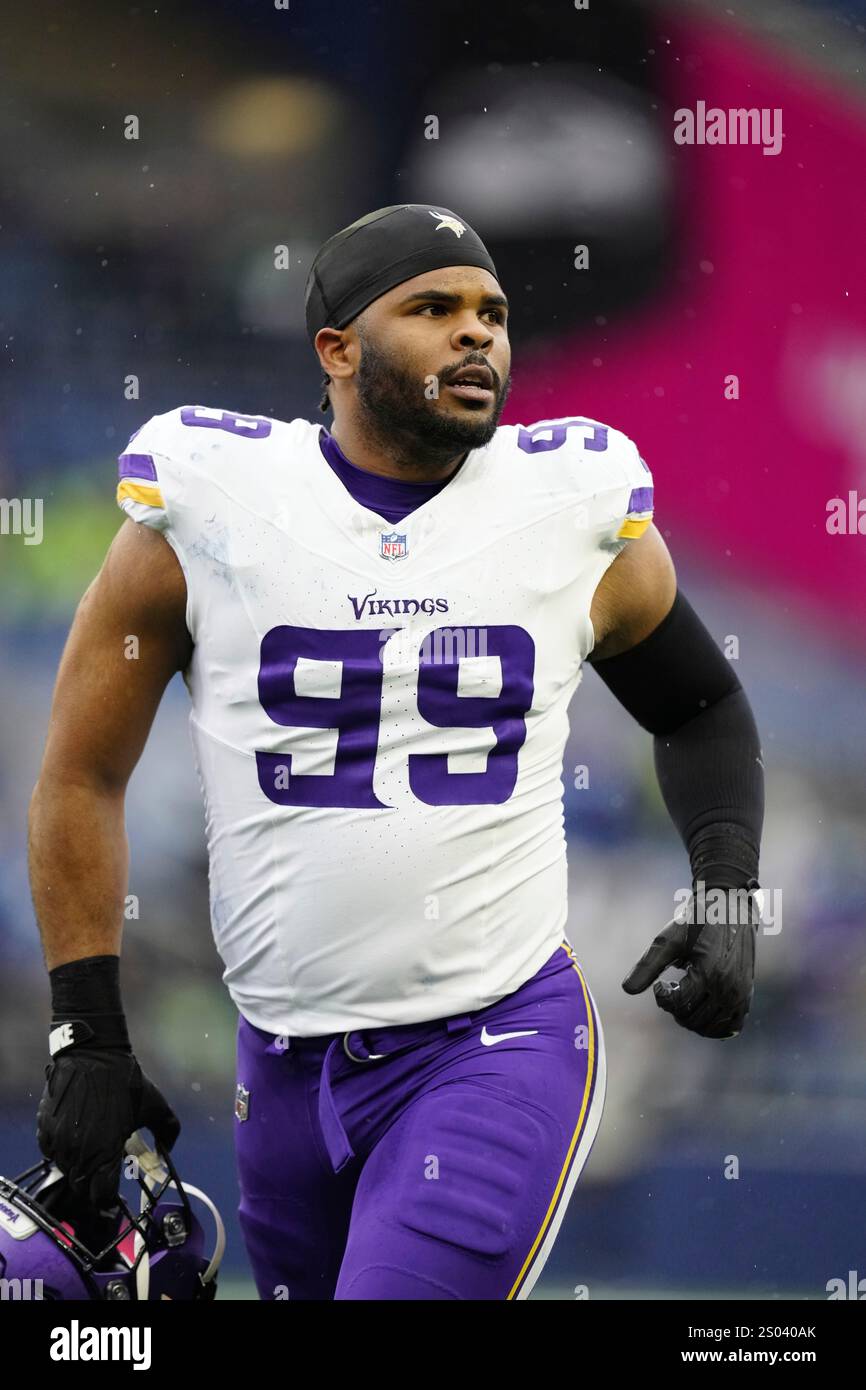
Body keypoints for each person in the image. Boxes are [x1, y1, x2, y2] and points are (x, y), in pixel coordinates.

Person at [29, 204, 764, 1300]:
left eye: (492, 314)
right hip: (278, 1067)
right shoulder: (212, 508)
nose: (477, 335)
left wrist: (726, 893)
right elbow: (82, 774)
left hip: (494, 1043)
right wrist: (83, 1033)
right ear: (336, 350)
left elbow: (700, 707)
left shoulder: (566, 508)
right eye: (433, 308)